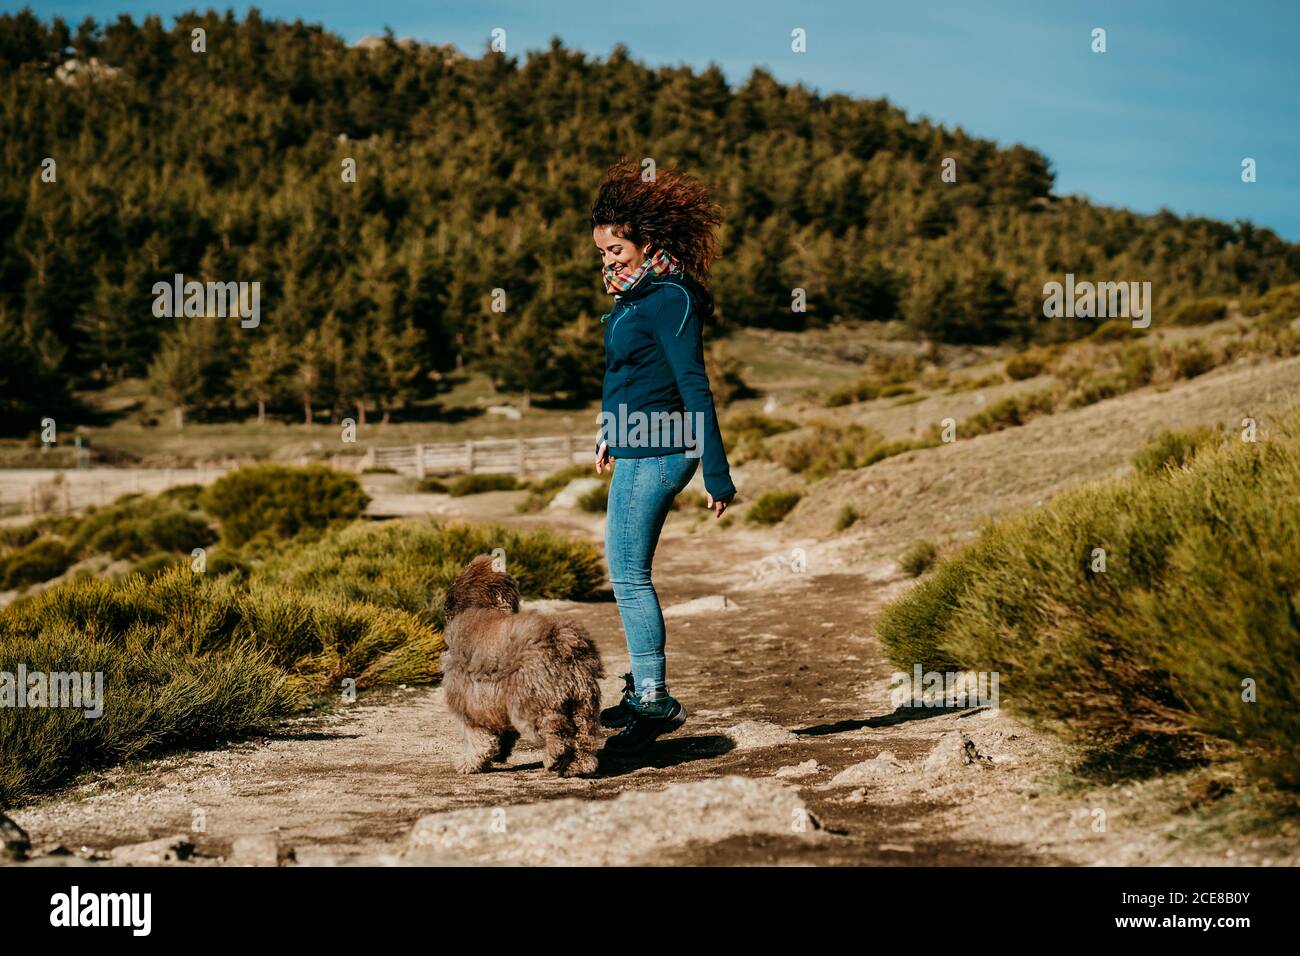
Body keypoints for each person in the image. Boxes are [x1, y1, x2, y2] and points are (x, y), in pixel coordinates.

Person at [589, 158, 737, 753]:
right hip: (636, 444)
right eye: (601, 252)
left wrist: (718, 472)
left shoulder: (668, 298)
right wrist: (608, 432)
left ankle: (652, 697)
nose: (607, 260)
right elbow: (626, 373)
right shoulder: (638, 296)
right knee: (626, 571)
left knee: (627, 574)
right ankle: (646, 692)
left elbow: (693, 385)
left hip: (660, 450)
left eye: (615, 249)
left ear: (645, 243)